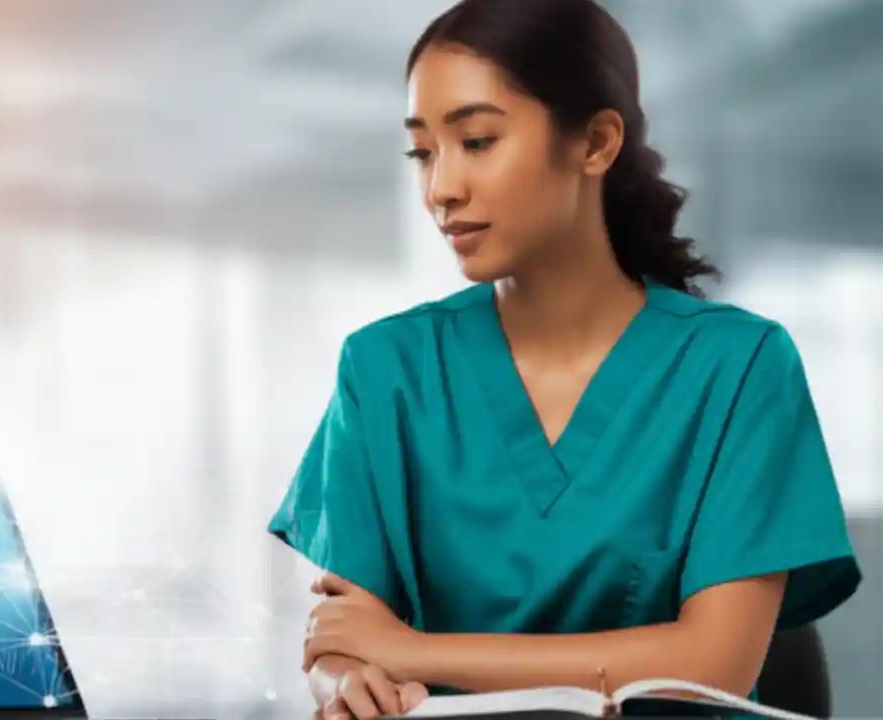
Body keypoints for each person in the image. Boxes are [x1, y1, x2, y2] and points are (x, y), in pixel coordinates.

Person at [266, 1, 862, 718]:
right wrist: (347, 683)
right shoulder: (384, 368)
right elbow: (346, 638)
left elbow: (715, 664)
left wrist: (414, 652)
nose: (440, 189)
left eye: (478, 141)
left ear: (596, 143)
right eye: (424, 152)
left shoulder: (739, 366)